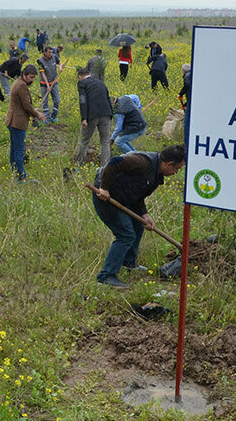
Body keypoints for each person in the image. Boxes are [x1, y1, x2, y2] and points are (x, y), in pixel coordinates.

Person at [92, 145, 186, 287]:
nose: (175, 173)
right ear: (169, 164)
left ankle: (128, 263)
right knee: (126, 235)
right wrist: (104, 188)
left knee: (138, 225)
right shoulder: (142, 162)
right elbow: (114, 163)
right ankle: (106, 276)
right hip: (106, 197)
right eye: (176, 169)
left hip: (122, 196)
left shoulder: (156, 173)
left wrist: (144, 214)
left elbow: (137, 192)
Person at [5, 64, 47, 182]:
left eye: (34, 78)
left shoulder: (18, 82)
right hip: (17, 122)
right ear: (24, 75)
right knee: (19, 150)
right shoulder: (22, 86)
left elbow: (23, 105)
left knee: (14, 149)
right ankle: (21, 177)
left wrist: (34, 110)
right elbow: (26, 105)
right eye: (31, 77)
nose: (32, 80)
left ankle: (15, 173)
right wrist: (37, 114)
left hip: (13, 120)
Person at [76, 67, 112, 166]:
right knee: (105, 142)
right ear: (89, 74)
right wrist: (111, 115)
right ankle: (104, 166)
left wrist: (84, 118)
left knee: (84, 140)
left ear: (80, 76)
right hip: (106, 114)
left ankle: (79, 164)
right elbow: (108, 98)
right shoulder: (101, 83)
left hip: (92, 115)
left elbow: (82, 101)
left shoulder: (82, 83)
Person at [37, 45, 62, 122]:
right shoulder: (40, 61)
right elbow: (43, 74)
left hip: (54, 82)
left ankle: (53, 116)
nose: (51, 54)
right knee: (45, 102)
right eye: (49, 52)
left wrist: (60, 67)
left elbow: (60, 63)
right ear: (45, 52)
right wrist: (48, 85)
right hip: (44, 84)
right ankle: (46, 118)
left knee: (57, 100)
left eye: (51, 52)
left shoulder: (54, 57)